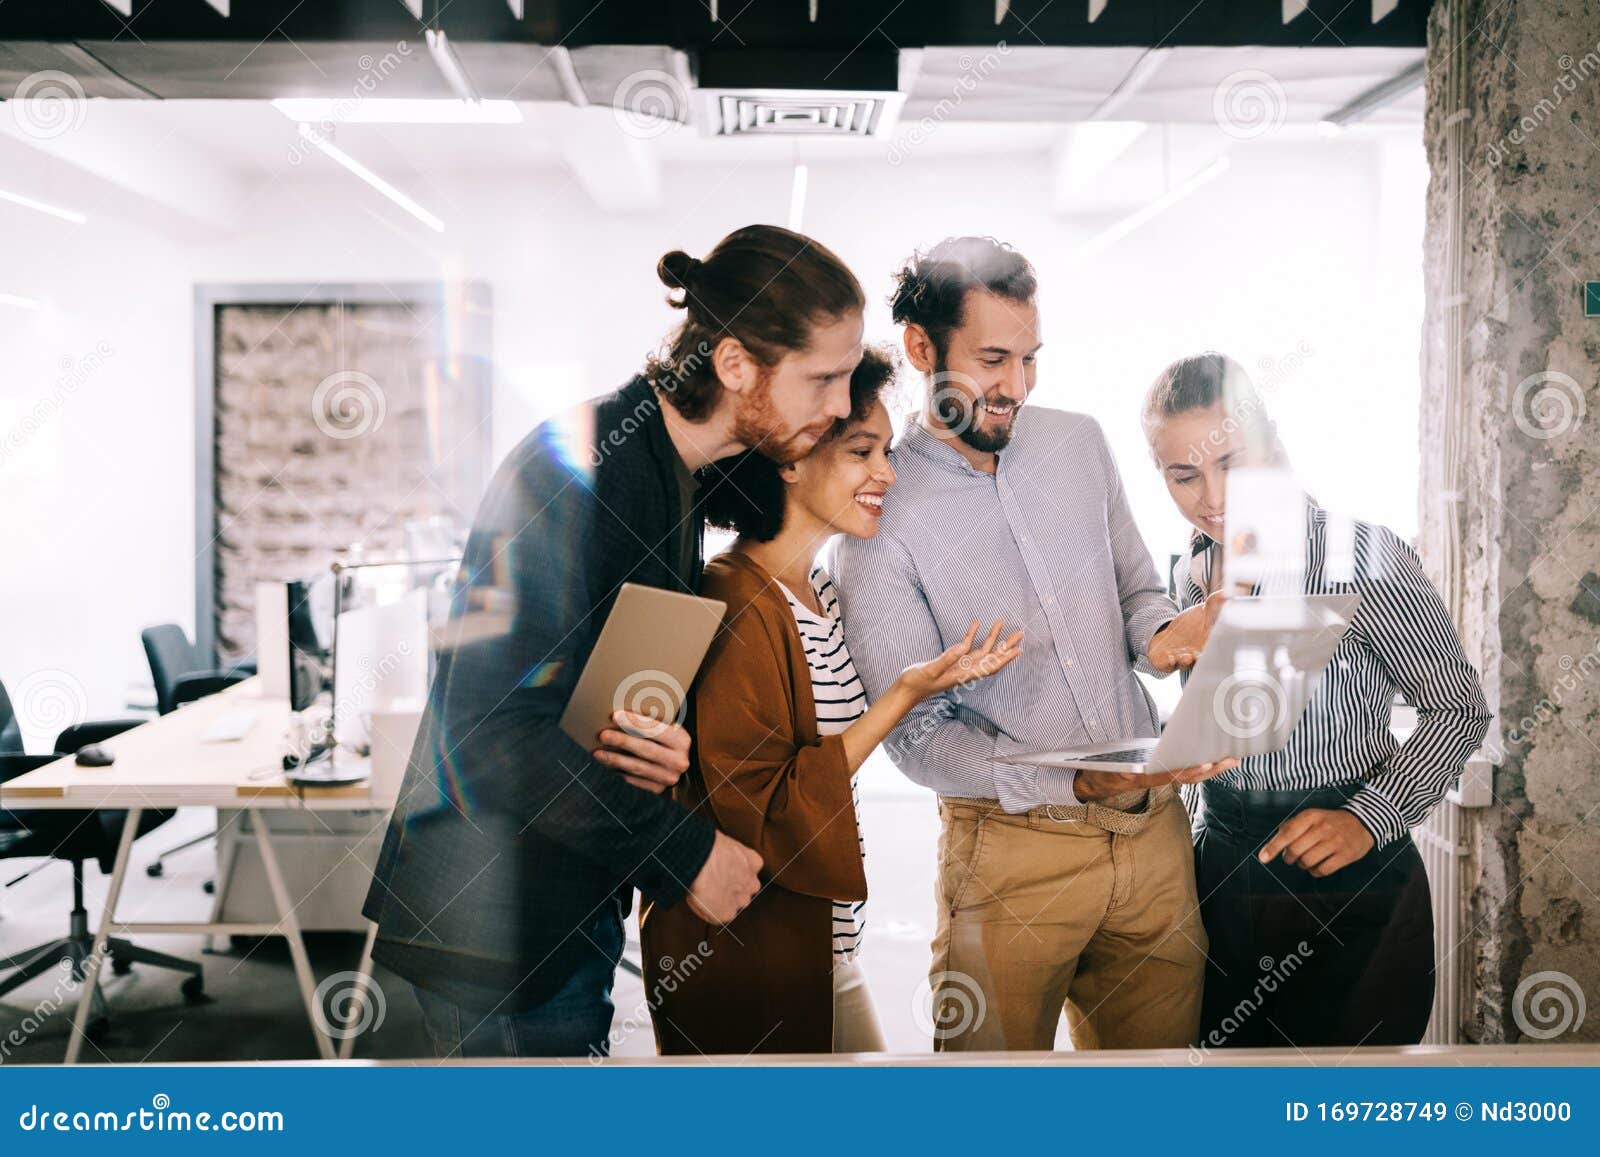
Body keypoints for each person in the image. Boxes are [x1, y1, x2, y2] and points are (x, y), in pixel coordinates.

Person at [362, 224, 870, 1059]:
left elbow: (569, 695)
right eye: (823, 378)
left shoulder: (671, 471)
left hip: (563, 905)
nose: (841, 404)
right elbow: (488, 735)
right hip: (496, 935)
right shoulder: (578, 470)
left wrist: (649, 736)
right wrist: (687, 850)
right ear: (736, 364)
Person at [832, 237, 1232, 1053]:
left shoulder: (1079, 443)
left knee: (1157, 1112)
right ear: (920, 349)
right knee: (992, 1117)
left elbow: (1135, 589)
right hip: (1012, 857)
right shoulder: (876, 521)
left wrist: (1164, 638)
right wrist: (1067, 779)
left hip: (1154, 837)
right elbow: (914, 738)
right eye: (991, 359)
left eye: (1030, 357)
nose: (1015, 385)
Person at [642, 347, 1023, 1055]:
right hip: (746, 956)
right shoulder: (734, 598)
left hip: (822, 947)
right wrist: (904, 692)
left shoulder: (817, 591)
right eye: (861, 451)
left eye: (885, 451)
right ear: (789, 458)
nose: (887, 471)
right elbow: (760, 803)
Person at [1142, 351, 1490, 1049]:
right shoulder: (1191, 570)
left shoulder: (1367, 555)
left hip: (1354, 878)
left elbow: (1458, 708)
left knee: (1344, 1114)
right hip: (1221, 877)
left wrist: (1368, 818)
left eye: (1231, 463)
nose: (1211, 497)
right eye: (1184, 475)